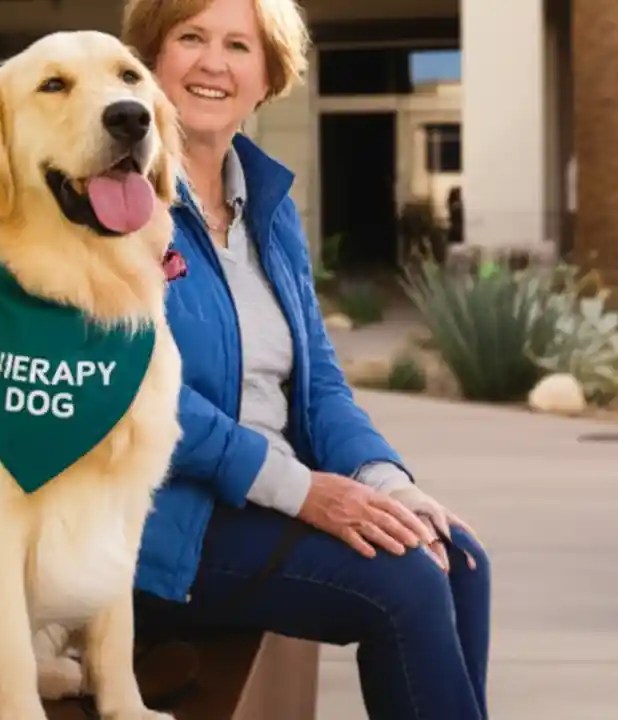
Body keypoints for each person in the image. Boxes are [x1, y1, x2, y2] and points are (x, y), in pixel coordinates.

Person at [120, 1, 492, 717]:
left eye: (238, 46)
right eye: (190, 38)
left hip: (268, 500)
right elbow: (140, 391)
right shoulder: (118, 201)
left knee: (459, 557)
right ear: (150, 60)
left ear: (266, 79)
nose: (212, 63)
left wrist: (387, 484)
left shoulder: (269, 206)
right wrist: (304, 491)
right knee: (406, 585)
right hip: (168, 520)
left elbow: (319, 382)